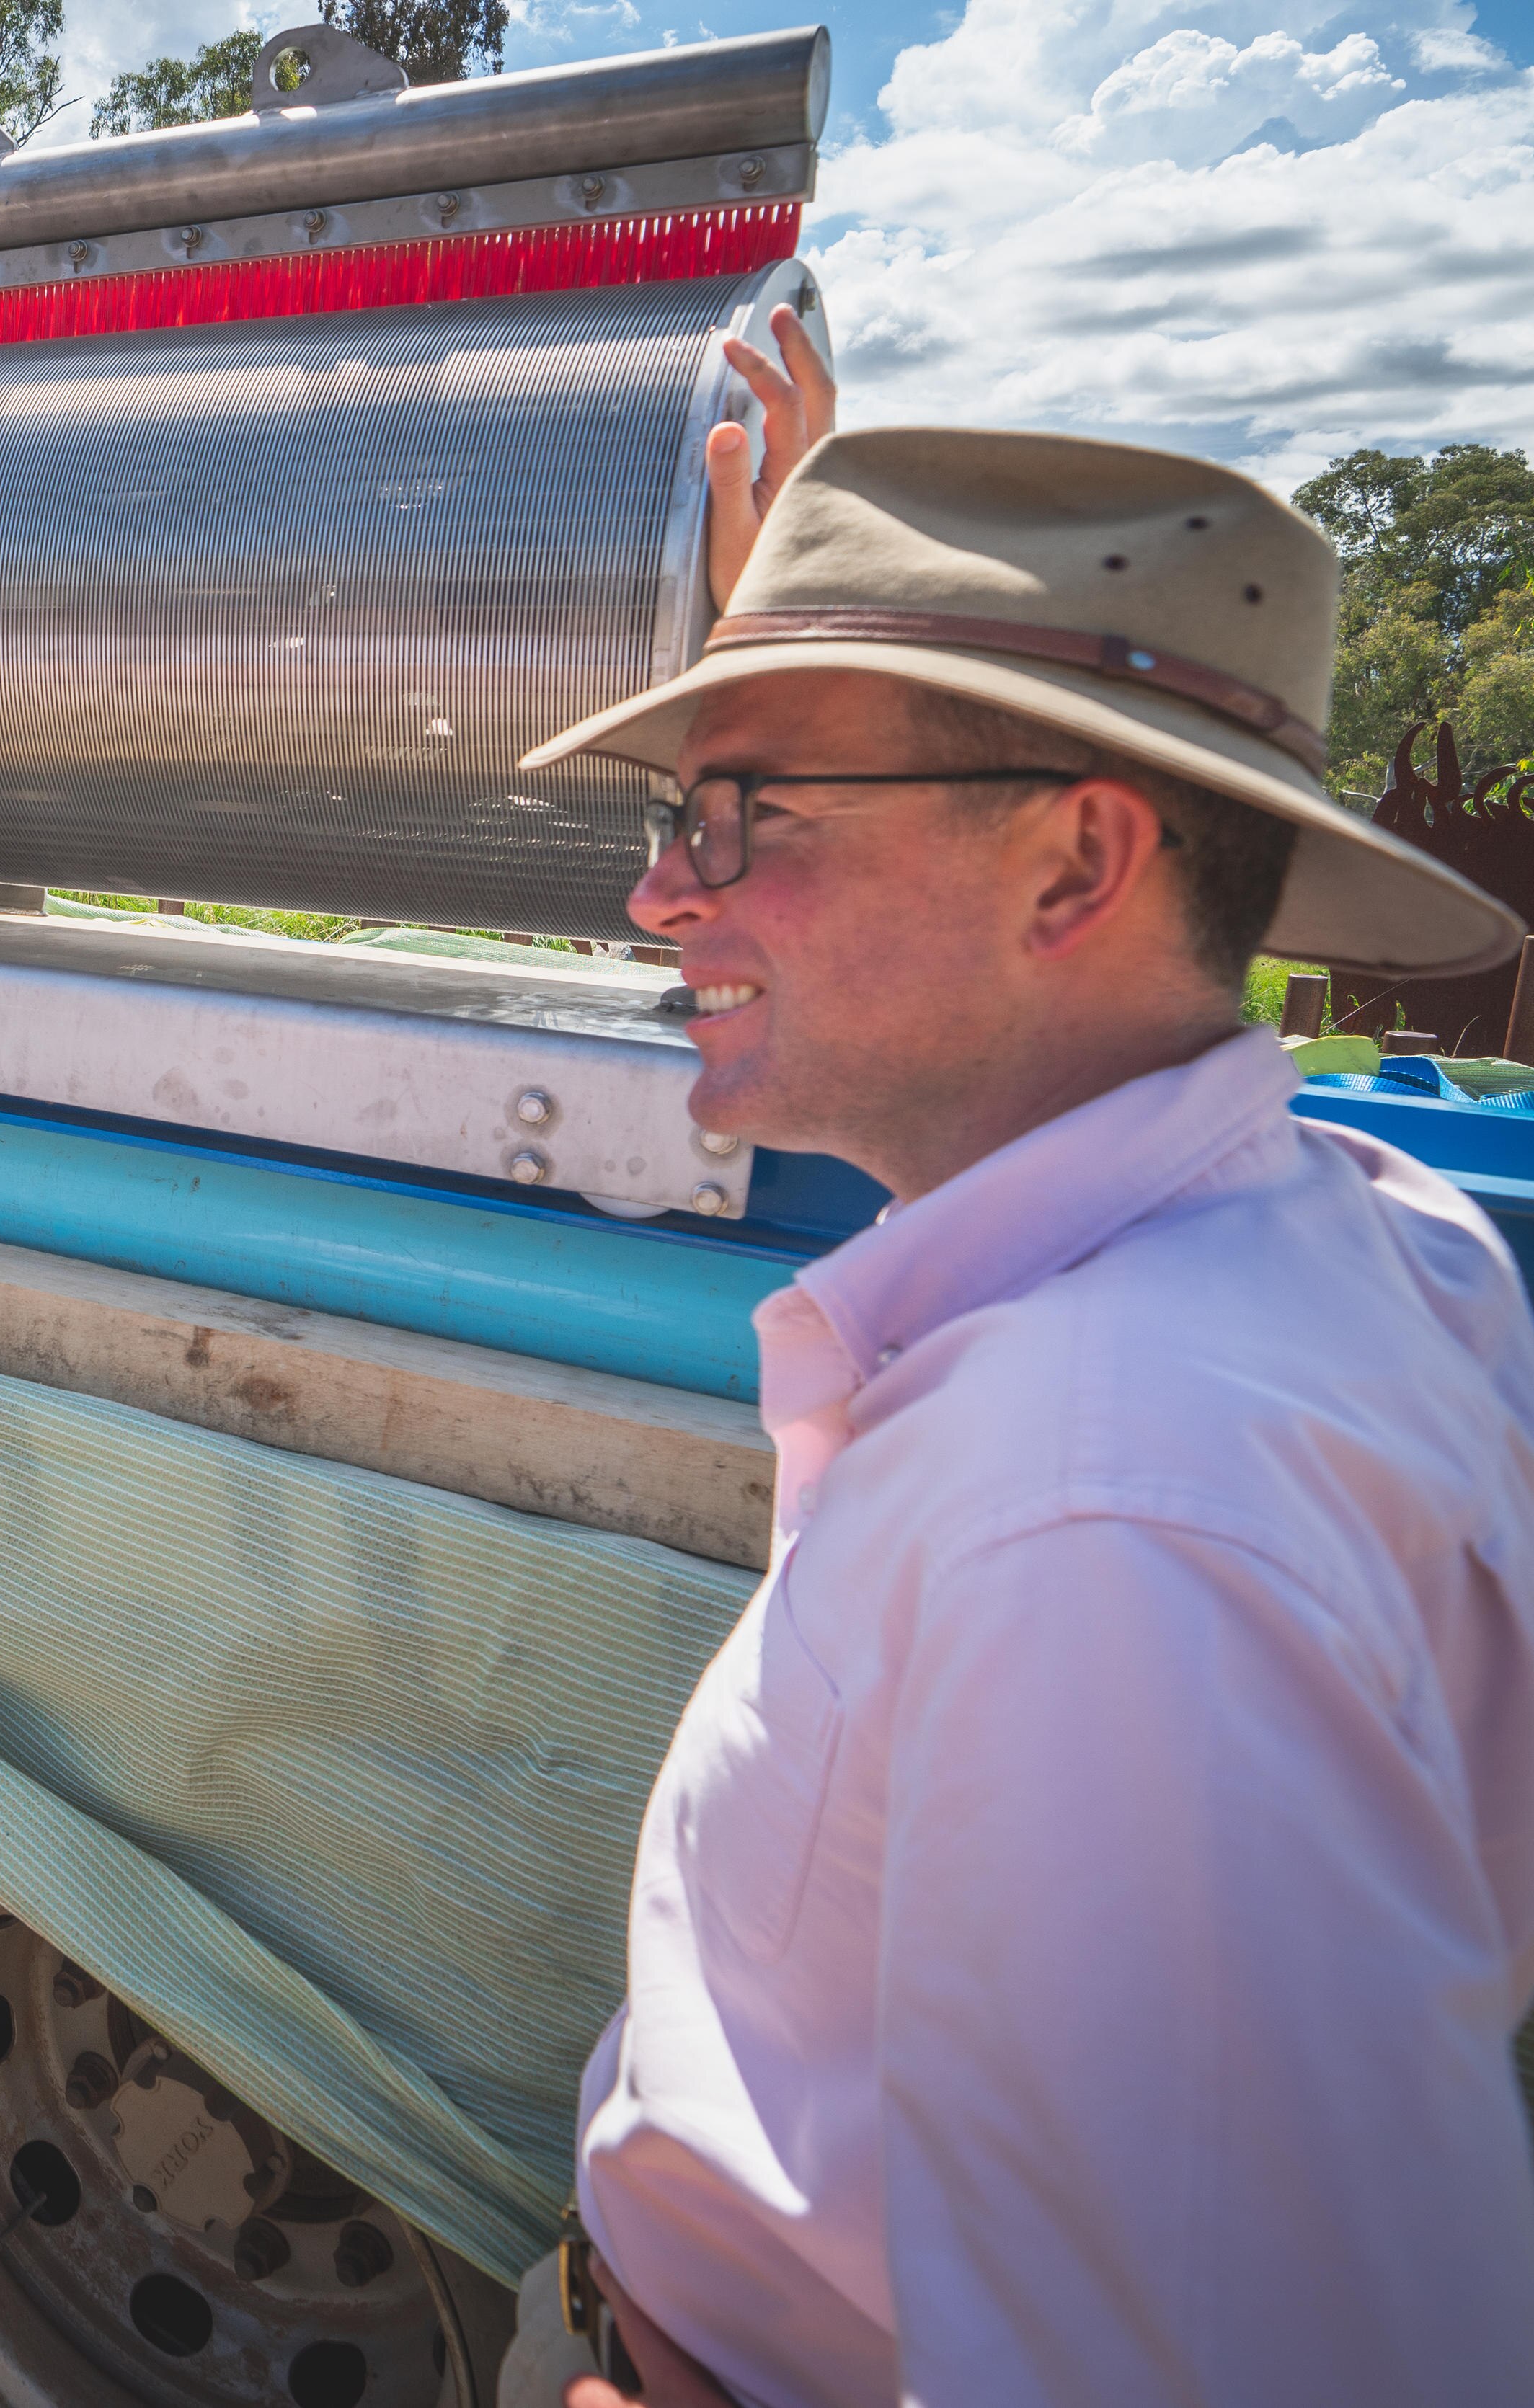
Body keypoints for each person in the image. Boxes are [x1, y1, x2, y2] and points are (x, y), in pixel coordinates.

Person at [494, 427, 1534, 2406]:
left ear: (1074, 862)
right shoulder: (1343, 1235)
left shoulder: (1116, 1518)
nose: (653, 894)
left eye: (739, 812)